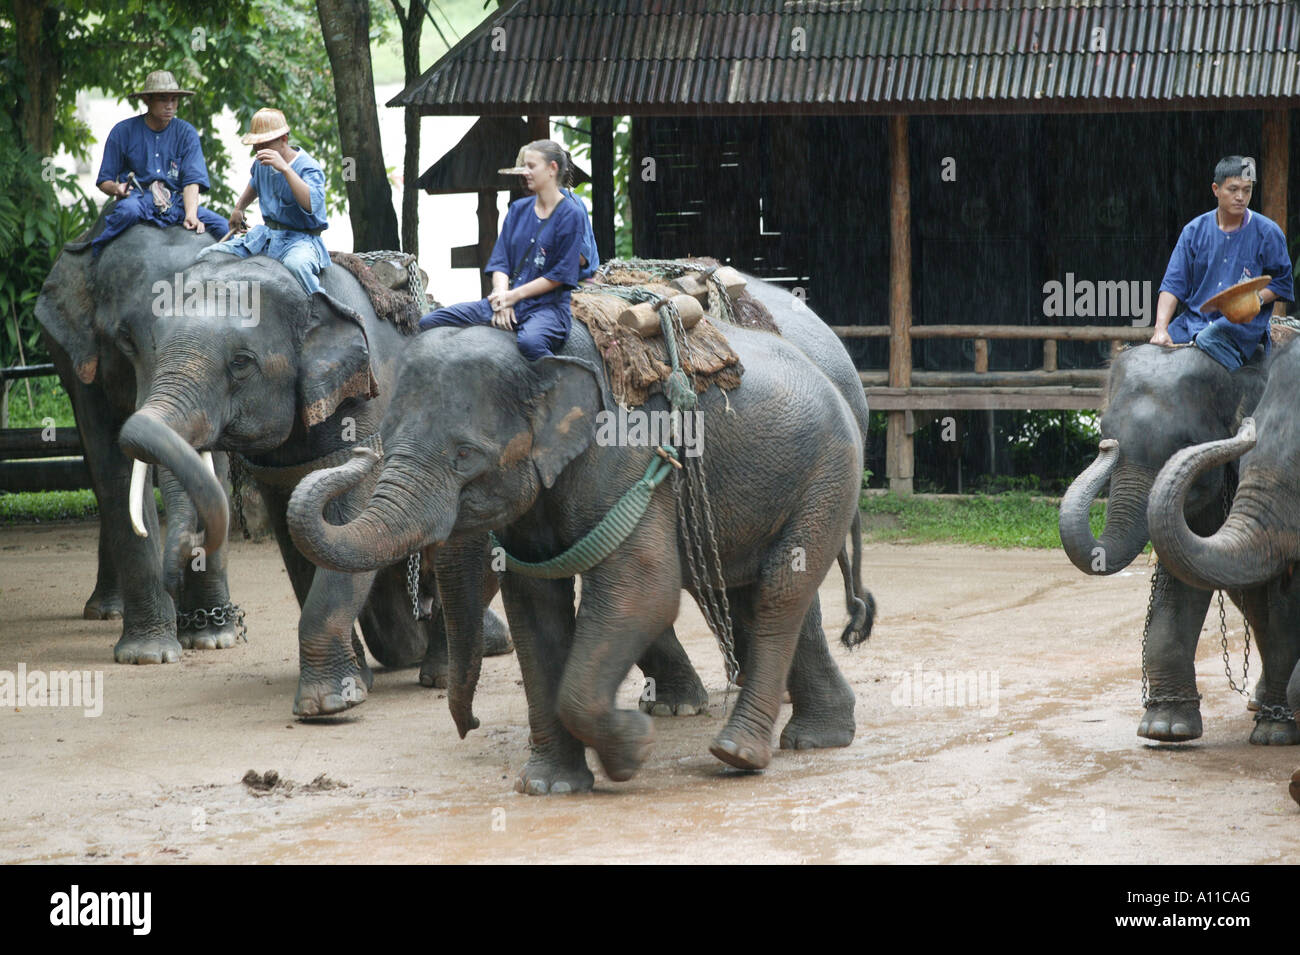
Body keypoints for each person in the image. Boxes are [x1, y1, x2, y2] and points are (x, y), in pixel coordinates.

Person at [417, 140, 592, 360]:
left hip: (547, 309)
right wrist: (501, 297)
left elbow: (559, 275)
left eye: (531, 167)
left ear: (552, 169)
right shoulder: (518, 210)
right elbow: (501, 262)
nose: (525, 174)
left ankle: (560, 386)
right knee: (429, 322)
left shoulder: (571, 215)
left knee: (530, 343)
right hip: (507, 297)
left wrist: (512, 297)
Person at [1150, 155, 1294, 369]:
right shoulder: (1193, 231)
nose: (1241, 197)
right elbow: (1173, 284)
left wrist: (1255, 299)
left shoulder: (1268, 232)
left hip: (1241, 325)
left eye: (1247, 190)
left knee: (1208, 339)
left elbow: (1282, 282)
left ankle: (1244, 384)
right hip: (1194, 321)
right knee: (1153, 358)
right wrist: (1160, 329)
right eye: (1233, 189)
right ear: (1216, 189)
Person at [92, 70, 229, 256]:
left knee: (223, 226)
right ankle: (95, 254)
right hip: (138, 199)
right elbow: (104, 181)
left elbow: (191, 180)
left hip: (174, 202)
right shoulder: (122, 131)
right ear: (147, 100)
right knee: (127, 212)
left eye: (174, 100)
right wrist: (117, 188)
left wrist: (191, 214)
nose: (170, 106)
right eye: (163, 99)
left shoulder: (186, 133)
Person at [196, 108, 330, 295]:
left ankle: (321, 308)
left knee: (296, 266)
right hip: (268, 236)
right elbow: (255, 183)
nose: (258, 150)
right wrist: (239, 208)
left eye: (264, 144)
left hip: (301, 240)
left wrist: (285, 169)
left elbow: (311, 204)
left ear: (283, 139)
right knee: (209, 254)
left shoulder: (308, 168)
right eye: (256, 145)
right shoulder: (261, 164)